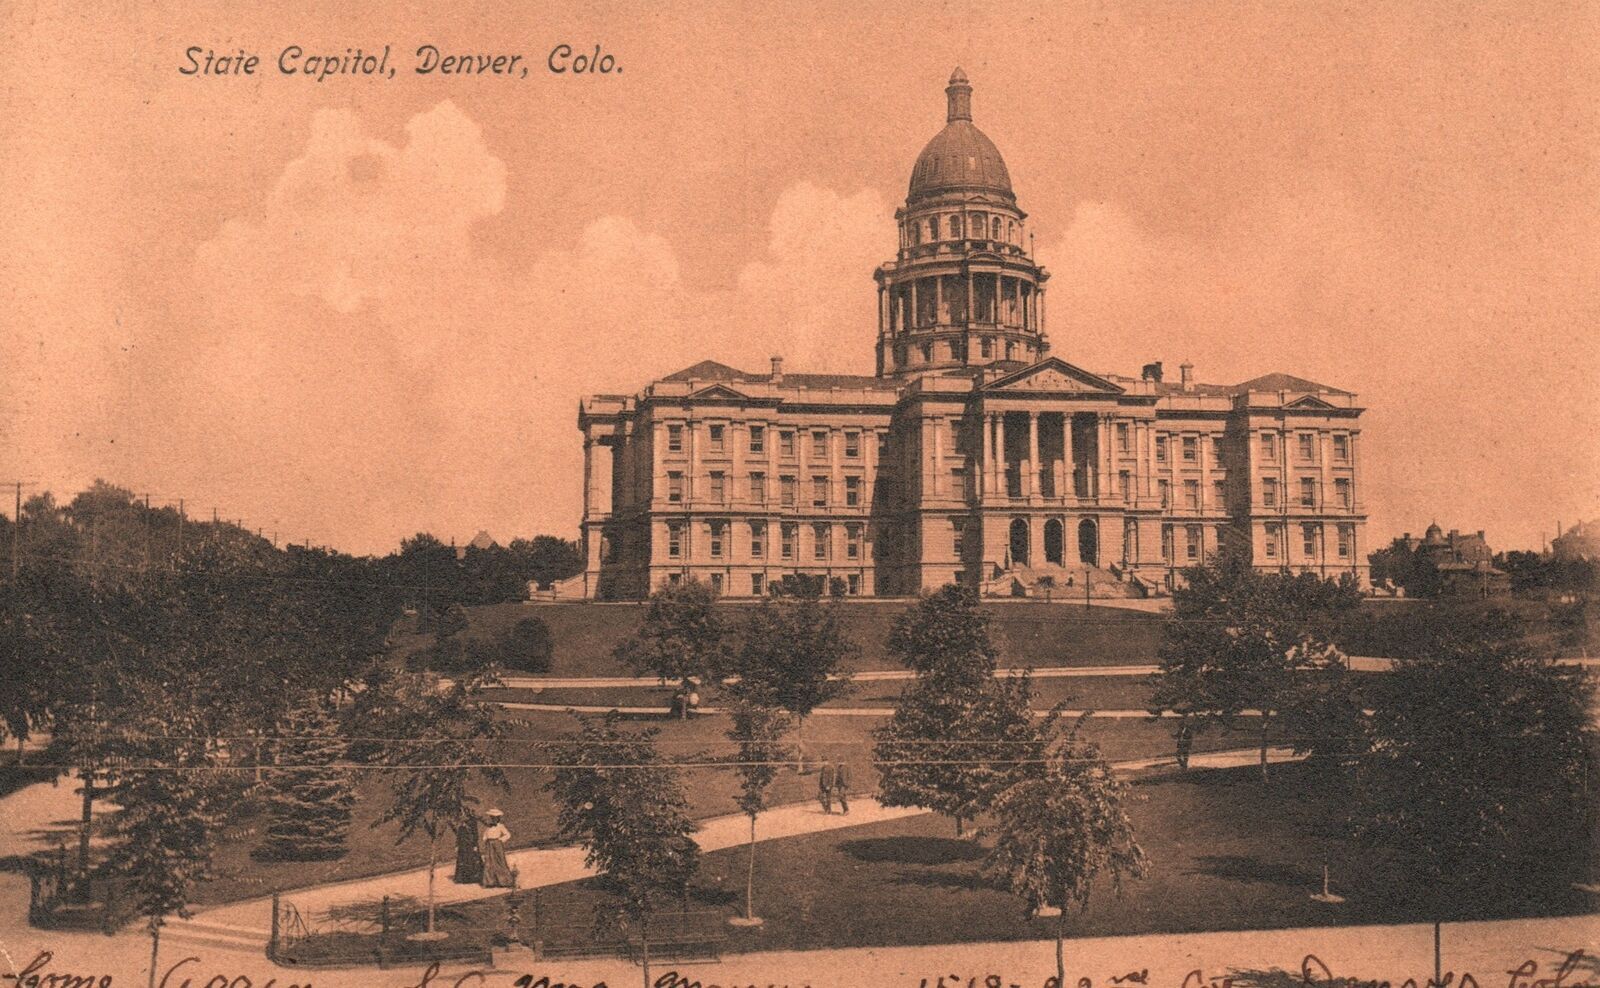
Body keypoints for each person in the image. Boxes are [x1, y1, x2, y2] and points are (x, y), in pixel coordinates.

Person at [479, 809, 515, 888]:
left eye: (495, 818)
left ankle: (504, 881)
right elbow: (485, 835)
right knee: (489, 862)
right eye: (492, 818)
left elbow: (508, 834)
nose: (493, 819)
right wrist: (486, 840)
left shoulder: (500, 826)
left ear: (498, 818)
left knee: (499, 861)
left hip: (497, 845)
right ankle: (490, 882)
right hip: (489, 845)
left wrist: (500, 840)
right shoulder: (488, 827)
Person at [452, 817, 483, 884]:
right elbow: (458, 837)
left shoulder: (472, 826)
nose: (463, 823)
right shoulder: (460, 828)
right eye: (462, 822)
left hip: (470, 846)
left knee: (472, 860)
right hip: (463, 847)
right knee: (463, 861)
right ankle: (463, 878)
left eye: (464, 822)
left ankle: (474, 878)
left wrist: (475, 845)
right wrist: (457, 846)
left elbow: (475, 836)